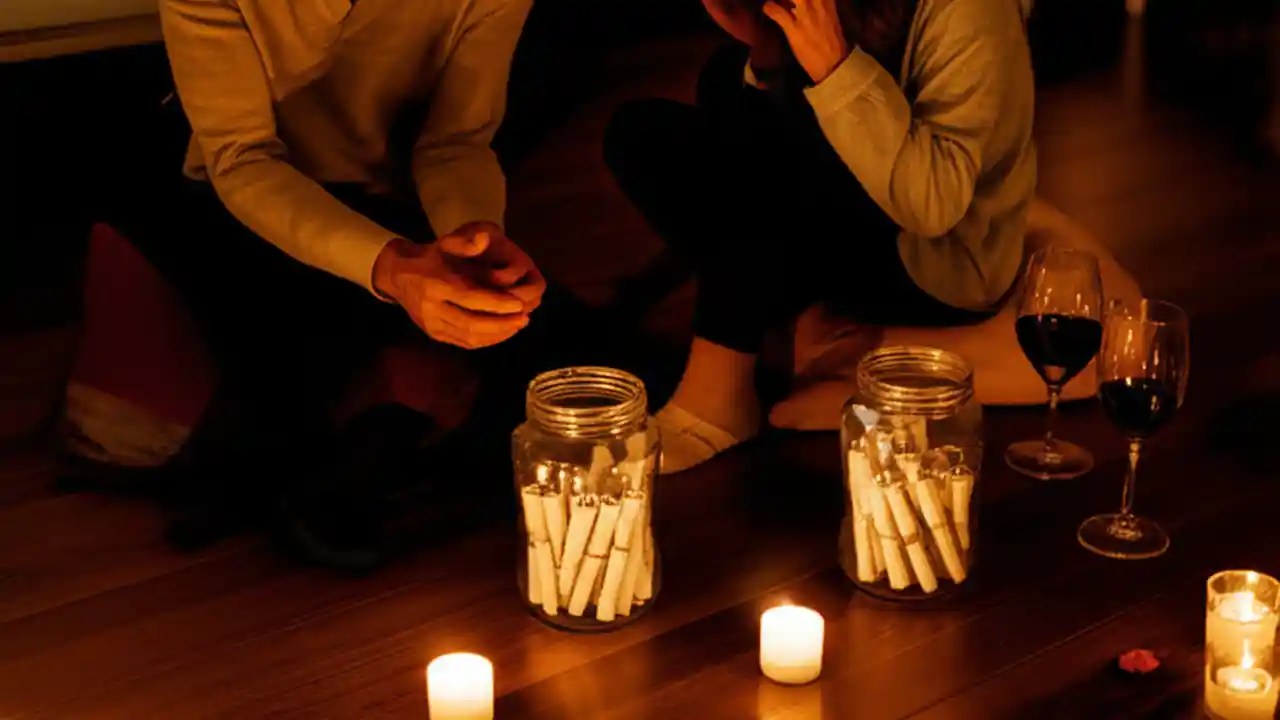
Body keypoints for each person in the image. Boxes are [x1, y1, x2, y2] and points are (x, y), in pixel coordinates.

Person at [102, 0, 546, 568]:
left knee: (566, 360)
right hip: (240, 208)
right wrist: (391, 269)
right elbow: (241, 159)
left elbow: (455, 142)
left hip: (388, 203)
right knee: (290, 382)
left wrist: (474, 241)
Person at [605, 0, 1037, 472]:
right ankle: (767, 316)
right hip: (856, 215)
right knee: (650, 126)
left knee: (771, 171)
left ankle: (720, 397)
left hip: (934, 263)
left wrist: (832, 65)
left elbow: (932, 207)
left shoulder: (974, 11)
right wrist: (769, 46)